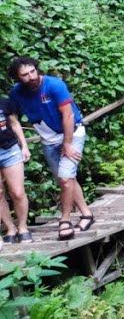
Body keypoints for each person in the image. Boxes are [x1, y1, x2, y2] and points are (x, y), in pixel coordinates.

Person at [8, 58, 92, 242]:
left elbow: (68, 115)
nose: (31, 76)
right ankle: (86, 214)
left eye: (32, 71)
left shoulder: (54, 85)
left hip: (72, 133)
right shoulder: (16, 93)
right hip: (48, 140)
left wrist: (67, 144)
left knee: (65, 178)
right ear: (17, 78)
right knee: (66, 179)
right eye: (25, 75)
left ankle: (65, 220)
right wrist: (21, 142)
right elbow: (12, 116)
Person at [0, 95, 31, 244]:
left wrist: (24, 146)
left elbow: (14, 123)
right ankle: (10, 229)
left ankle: (23, 227)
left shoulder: (4, 102)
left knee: (18, 192)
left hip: (10, 150)